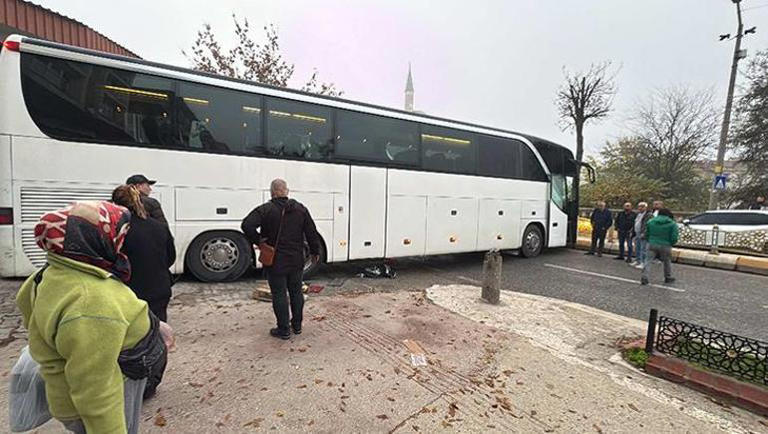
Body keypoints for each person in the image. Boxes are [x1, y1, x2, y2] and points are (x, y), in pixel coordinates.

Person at [15, 201, 171, 433]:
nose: (121, 242)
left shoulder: (51, 273)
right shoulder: (91, 301)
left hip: (66, 395)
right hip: (106, 399)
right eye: (118, 235)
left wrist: (155, 325)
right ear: (91, 240)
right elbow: (96, 389)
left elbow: (34, 313)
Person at [241, 179, 322, 340]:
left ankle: (283, 329)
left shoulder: (266, 209)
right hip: (296, 259)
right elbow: (311, 232)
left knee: (279, 294)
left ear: (272, 192)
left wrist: (259, 241)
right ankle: (297, 325)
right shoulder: (301, 209)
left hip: (275, 260)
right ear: (287, 191)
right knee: (296, 291)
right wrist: (315, 252)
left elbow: (246, 225)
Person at [112, 185, 177, 322]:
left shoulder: (115, 230)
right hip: (159, 289)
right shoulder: (159, 227)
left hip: (128, 293)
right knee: (158, 329)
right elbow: (171, 257)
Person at [641, 208, 679, 285]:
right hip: (665, 244)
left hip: (652, 243)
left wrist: (649, 240)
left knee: (648, 260)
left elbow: (646, 233)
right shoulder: (672, 223)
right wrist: (671, 243)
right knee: (667, 261)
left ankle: (645, 277)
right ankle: (667, 277)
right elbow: (674, 237)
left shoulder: (651, 221)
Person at [632, 202, 653, 269]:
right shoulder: (638, 214)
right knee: (637, 247)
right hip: (637, 233)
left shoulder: (648, 215)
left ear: (645, 207)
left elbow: (648, 225)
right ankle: (638, 260)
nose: (640, 208)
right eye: (639, 206)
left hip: (643, 234)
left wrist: (644, 233)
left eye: (642, 206)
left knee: (643, 249)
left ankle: (643, 262)